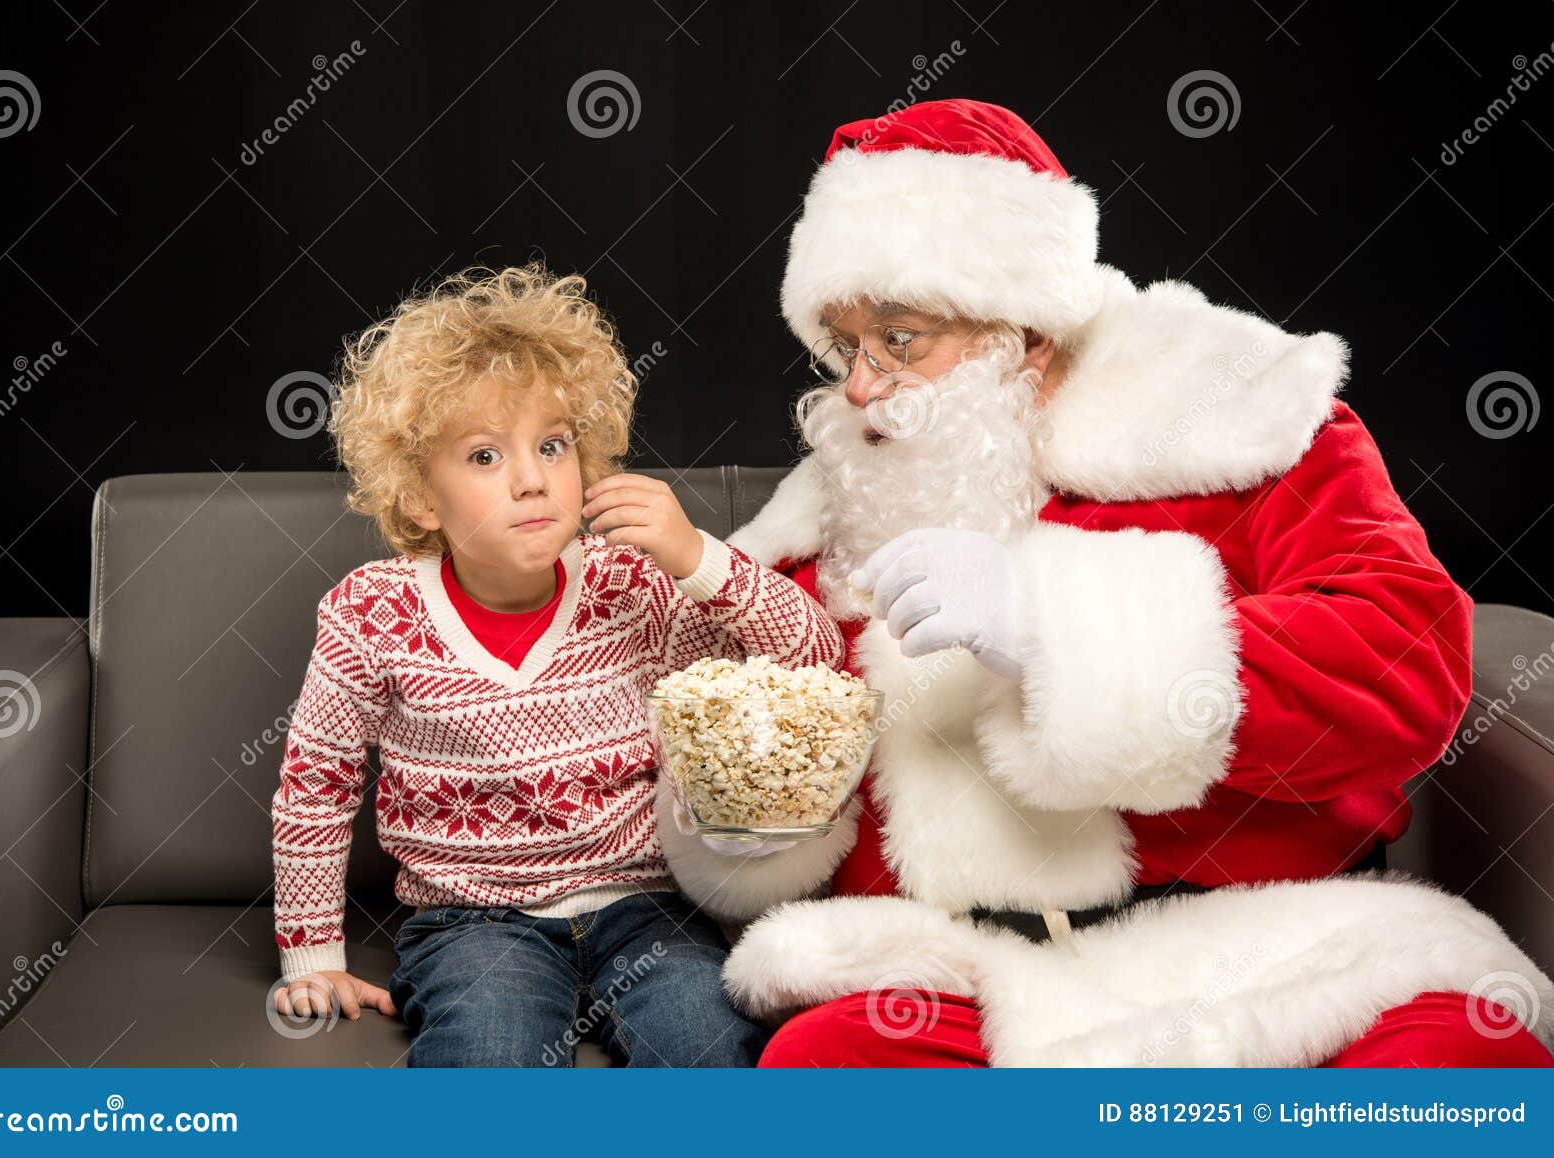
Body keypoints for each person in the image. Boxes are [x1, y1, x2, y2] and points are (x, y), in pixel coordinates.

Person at [652, 99, 1554, 1067]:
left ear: (1027, 334)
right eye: (845, 347)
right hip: (969, 978)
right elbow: (778, 776)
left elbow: (1406, 661)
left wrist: (1056, 629)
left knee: (1464, 1059)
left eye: (900, 340)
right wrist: (743, 826)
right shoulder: (820, 520)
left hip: (1277, 951)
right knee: (827, 1075)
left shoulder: (1239, 422)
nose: (862, 388)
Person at [268, 264, 845, 1066]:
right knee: (489, 1057)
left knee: (709, 1047)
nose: (532, 479)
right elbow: (316, 787)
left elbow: (813, 660)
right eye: (484, 456)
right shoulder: (372, 611)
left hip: (648, 909)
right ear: (421, 497)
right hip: (473, 925)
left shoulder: (633, 580)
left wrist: (697, 557)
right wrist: (312, 957)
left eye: (552, 445)